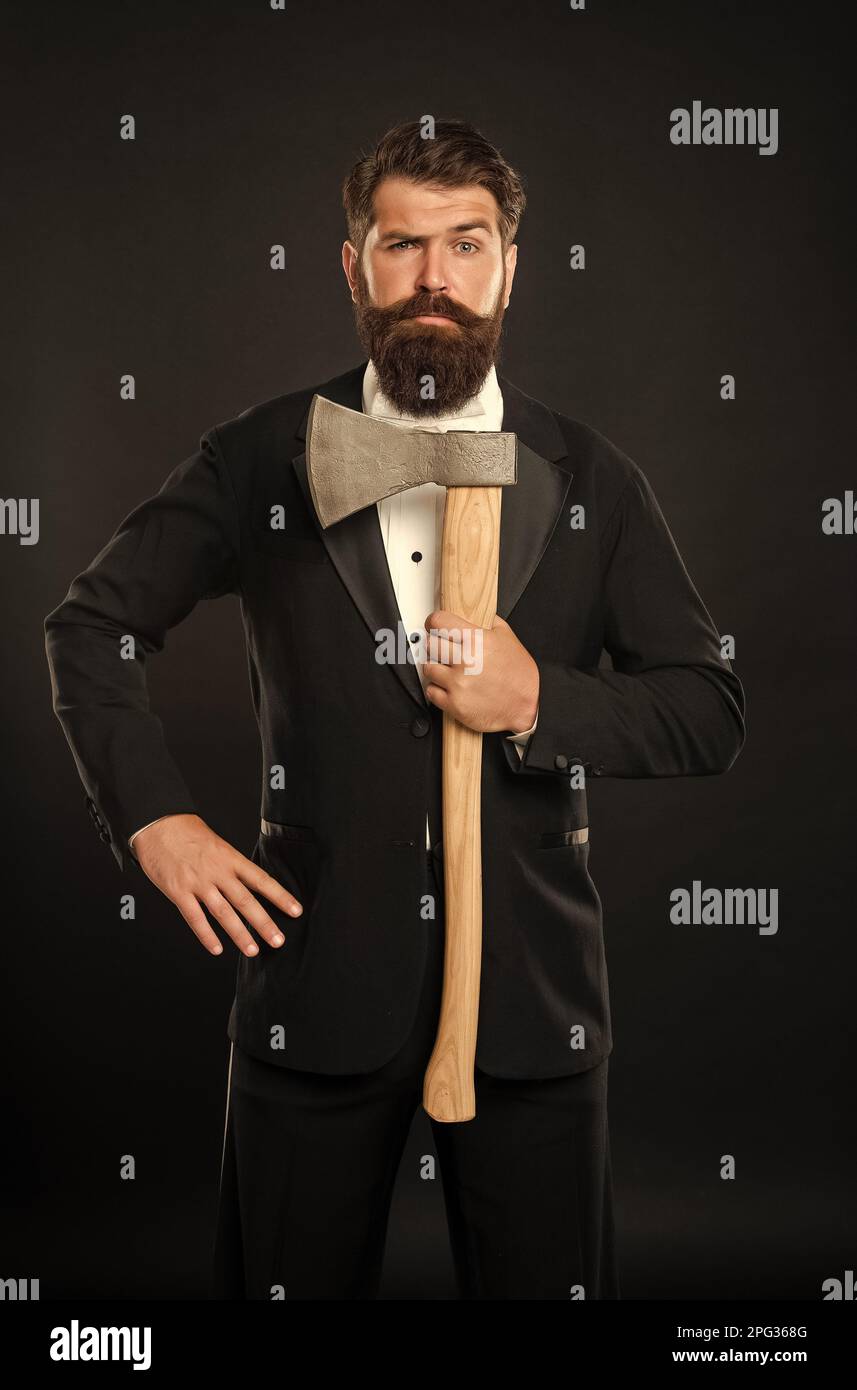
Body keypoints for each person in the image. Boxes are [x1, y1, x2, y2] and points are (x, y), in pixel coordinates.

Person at [44, 118, 746, 1300]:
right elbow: (90, 626)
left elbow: (707, 706)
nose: (435, 279)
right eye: (402, 245)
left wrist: (540, 700)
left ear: (510, 266)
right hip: (312, 991)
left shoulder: (592, 478)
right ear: (351, 264)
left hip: (532, 1014)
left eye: (466, 246)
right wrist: (155, 819)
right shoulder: (260, 457)